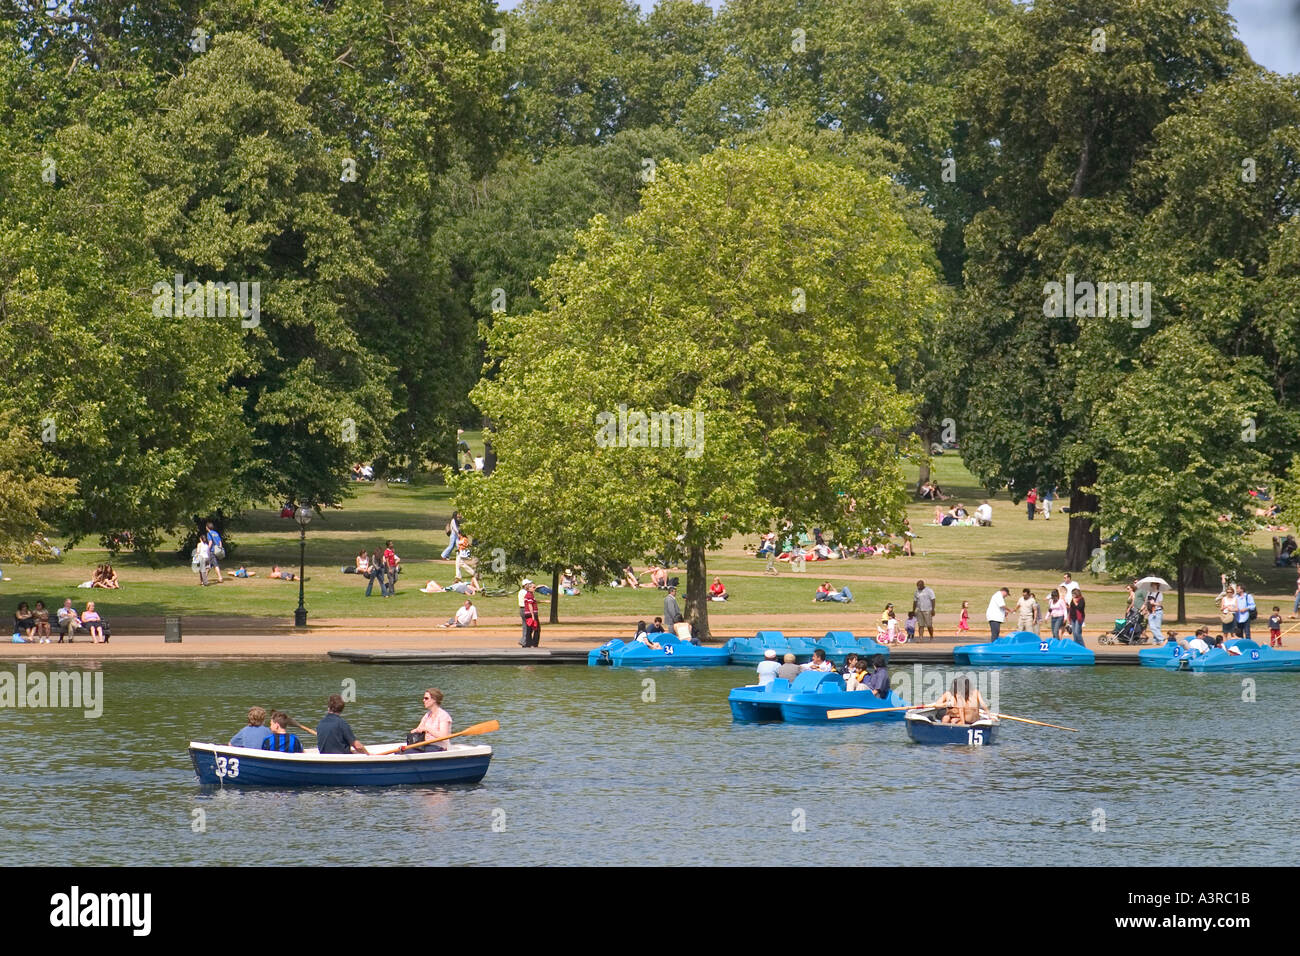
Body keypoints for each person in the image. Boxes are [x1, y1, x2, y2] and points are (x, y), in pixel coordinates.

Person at [403, 688, 452, 753]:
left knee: (407, 752)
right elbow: (419, 729)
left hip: (439, 748)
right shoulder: (427, 715)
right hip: (426, 746)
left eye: (426, 698)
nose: (423, 700)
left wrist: (427, 729)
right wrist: (415, 731)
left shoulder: (443, 715)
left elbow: (443, 736)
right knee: (400, 751)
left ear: (434, 700)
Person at [523, 580, 541, 647]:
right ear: (529, 588)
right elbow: (530, 605)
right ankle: (534, 643)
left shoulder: (530, 595)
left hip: (529, 614)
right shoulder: (529, 595)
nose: (535, 588)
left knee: (530, 629)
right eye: (533, 587)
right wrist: (533, 615)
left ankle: (529, 643)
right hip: (531, 614)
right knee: (536, 629)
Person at [517, 579, 532, 646]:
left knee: (525, 626)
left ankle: (524, 640)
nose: (529, 585)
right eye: (528, 584)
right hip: (525, 609)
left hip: (522, 609)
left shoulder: (521, 591)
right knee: (527, 626)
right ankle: (524, 641)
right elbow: (529, 601)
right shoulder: (525, 592)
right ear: (525, 585)